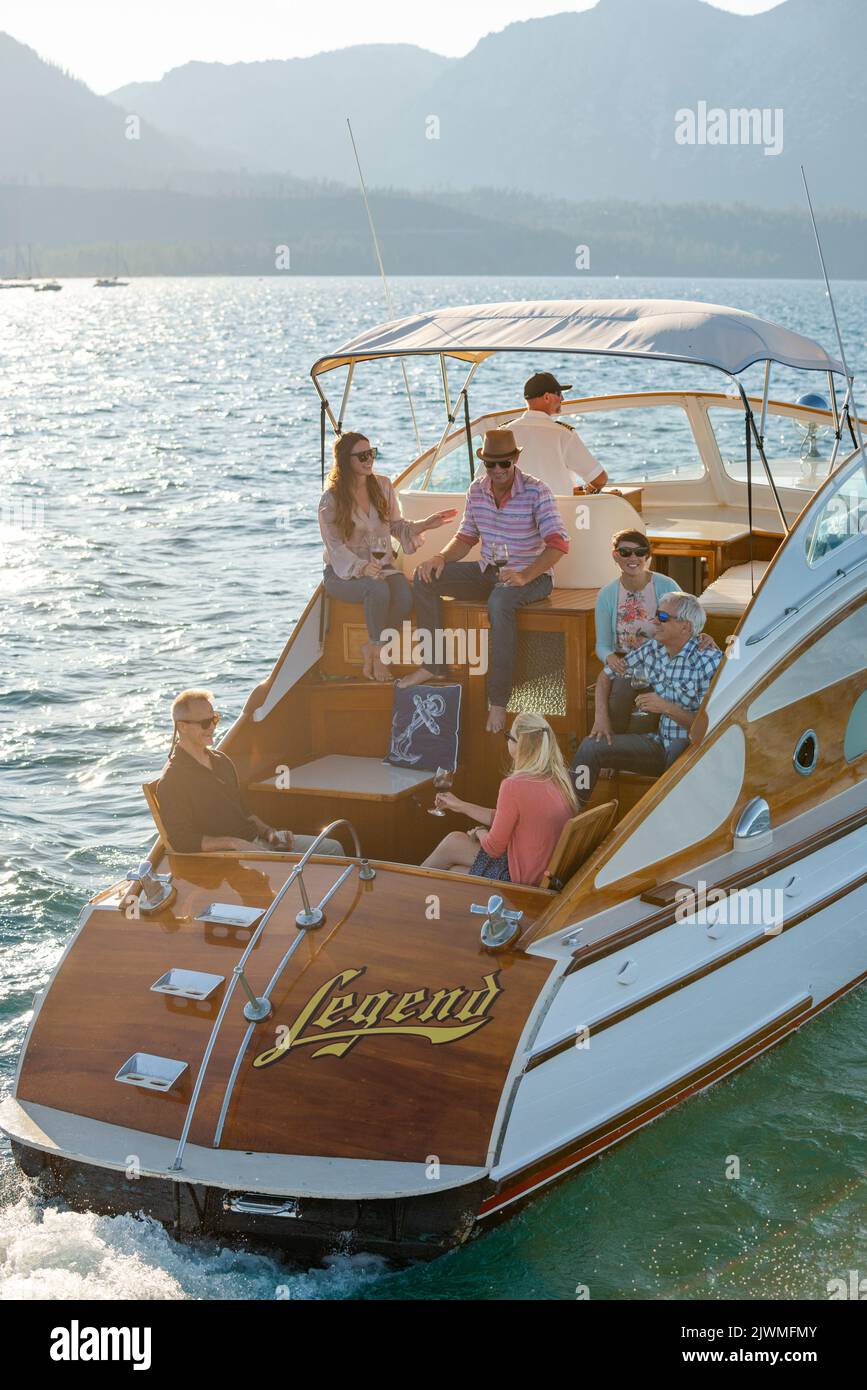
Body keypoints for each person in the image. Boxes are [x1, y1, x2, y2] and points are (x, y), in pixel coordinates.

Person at [399, 428, 570, 733]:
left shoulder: (536, 491)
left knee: (500, 600)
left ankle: (498, 701)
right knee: (424, 578)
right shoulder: (477, 490)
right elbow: (466, 538)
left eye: (504, 463)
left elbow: (558, 544)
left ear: (515, 459)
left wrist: (524, 575)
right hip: (489, 570)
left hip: (534, 576)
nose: (498, 470)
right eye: (491, 464)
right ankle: (433, 663)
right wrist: (440, 557)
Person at [318, 432, 455, 682]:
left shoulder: (382, 485)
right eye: (362, 455)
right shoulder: (331, 499)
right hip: (342, 574)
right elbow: (335, 547)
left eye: (372, 453)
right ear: (345, 460)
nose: (369, 459)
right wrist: (361, 567)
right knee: (377, 589)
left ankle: (373, 648)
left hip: (381, 566)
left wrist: (424, 525)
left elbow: (396, 526)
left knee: (404, 595)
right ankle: (379, 655)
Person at [572, 592, 723, 804]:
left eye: (662, 617)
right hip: (659, 746)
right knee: (591, 746)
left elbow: (712, 726)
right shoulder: (653, 649)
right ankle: (571, 812)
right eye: (656, 615)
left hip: (693, 752)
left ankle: (665, 821)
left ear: (685, 627)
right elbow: (606, 675)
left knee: (678, 747)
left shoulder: (709, 661)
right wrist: (601, 718)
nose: (654, 621)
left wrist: (666, 708)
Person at [156, 688, 344, 855]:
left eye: (214, 719)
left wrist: (270, 833)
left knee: (333, 848)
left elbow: (245, 812)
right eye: (205, 723)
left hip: (254, 842)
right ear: (182, 726)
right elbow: (181, 840)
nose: (212, 727)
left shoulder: (221, 761)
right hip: (230, 856)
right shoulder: (173, 779)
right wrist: (234, 844)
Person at [421, 712, 577, 885]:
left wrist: (480, 832)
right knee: (455, 870)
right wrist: (460, 805)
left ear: (521, 745)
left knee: (452, 843)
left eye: (510, 736)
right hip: (543, 874)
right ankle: (412, 893)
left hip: (523, 877)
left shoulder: (513, 785)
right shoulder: (557, 778)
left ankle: (404, 888)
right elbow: (509, 818)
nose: (508, 740)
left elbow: (494, 848)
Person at [595, 528, 681, 733]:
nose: (633, 557)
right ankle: (613, 750)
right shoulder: (607, 595)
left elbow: (687, 620)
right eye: (625, 552)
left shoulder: (666, 585)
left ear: (647, 556)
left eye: (640, 552)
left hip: (662, 660)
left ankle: (640, 751)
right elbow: (602, 645)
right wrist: (609, 658)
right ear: (615, 556)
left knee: (649, 706)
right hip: (626, 662)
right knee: (619, 695)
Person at [506, 371, 608, 495]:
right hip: (557, 512)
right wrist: (587, 490)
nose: (562, 398)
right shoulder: (563, 435)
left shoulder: (504, 432)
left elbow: (481, 480)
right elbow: (599, 479)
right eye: (559, 393)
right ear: (547, 397)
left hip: (515, 512)